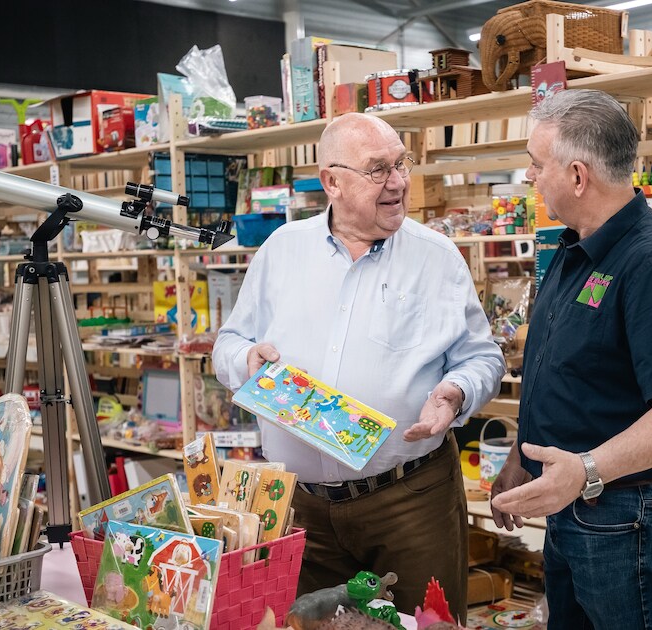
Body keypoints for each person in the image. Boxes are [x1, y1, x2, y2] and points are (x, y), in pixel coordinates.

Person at [213, 112, 506, 618]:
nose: (396, 182)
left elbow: (481, 357)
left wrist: (456, 391)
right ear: (332, 181)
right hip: (302, 506)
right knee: (314, 625)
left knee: (427, 625)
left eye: (401, 165)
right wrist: (246, 358)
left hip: (409, 501)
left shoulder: (436, 256)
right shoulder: (282, 251)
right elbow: (229, 343)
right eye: (377, 170)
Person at [490, 89, 652, 629]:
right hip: (573, 505)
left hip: (626, 516)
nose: (529, 177)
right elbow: (564, 374)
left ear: (576, 175)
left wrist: (585, 470)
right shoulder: (575, 251)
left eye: (535, 164)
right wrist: (521, 460)